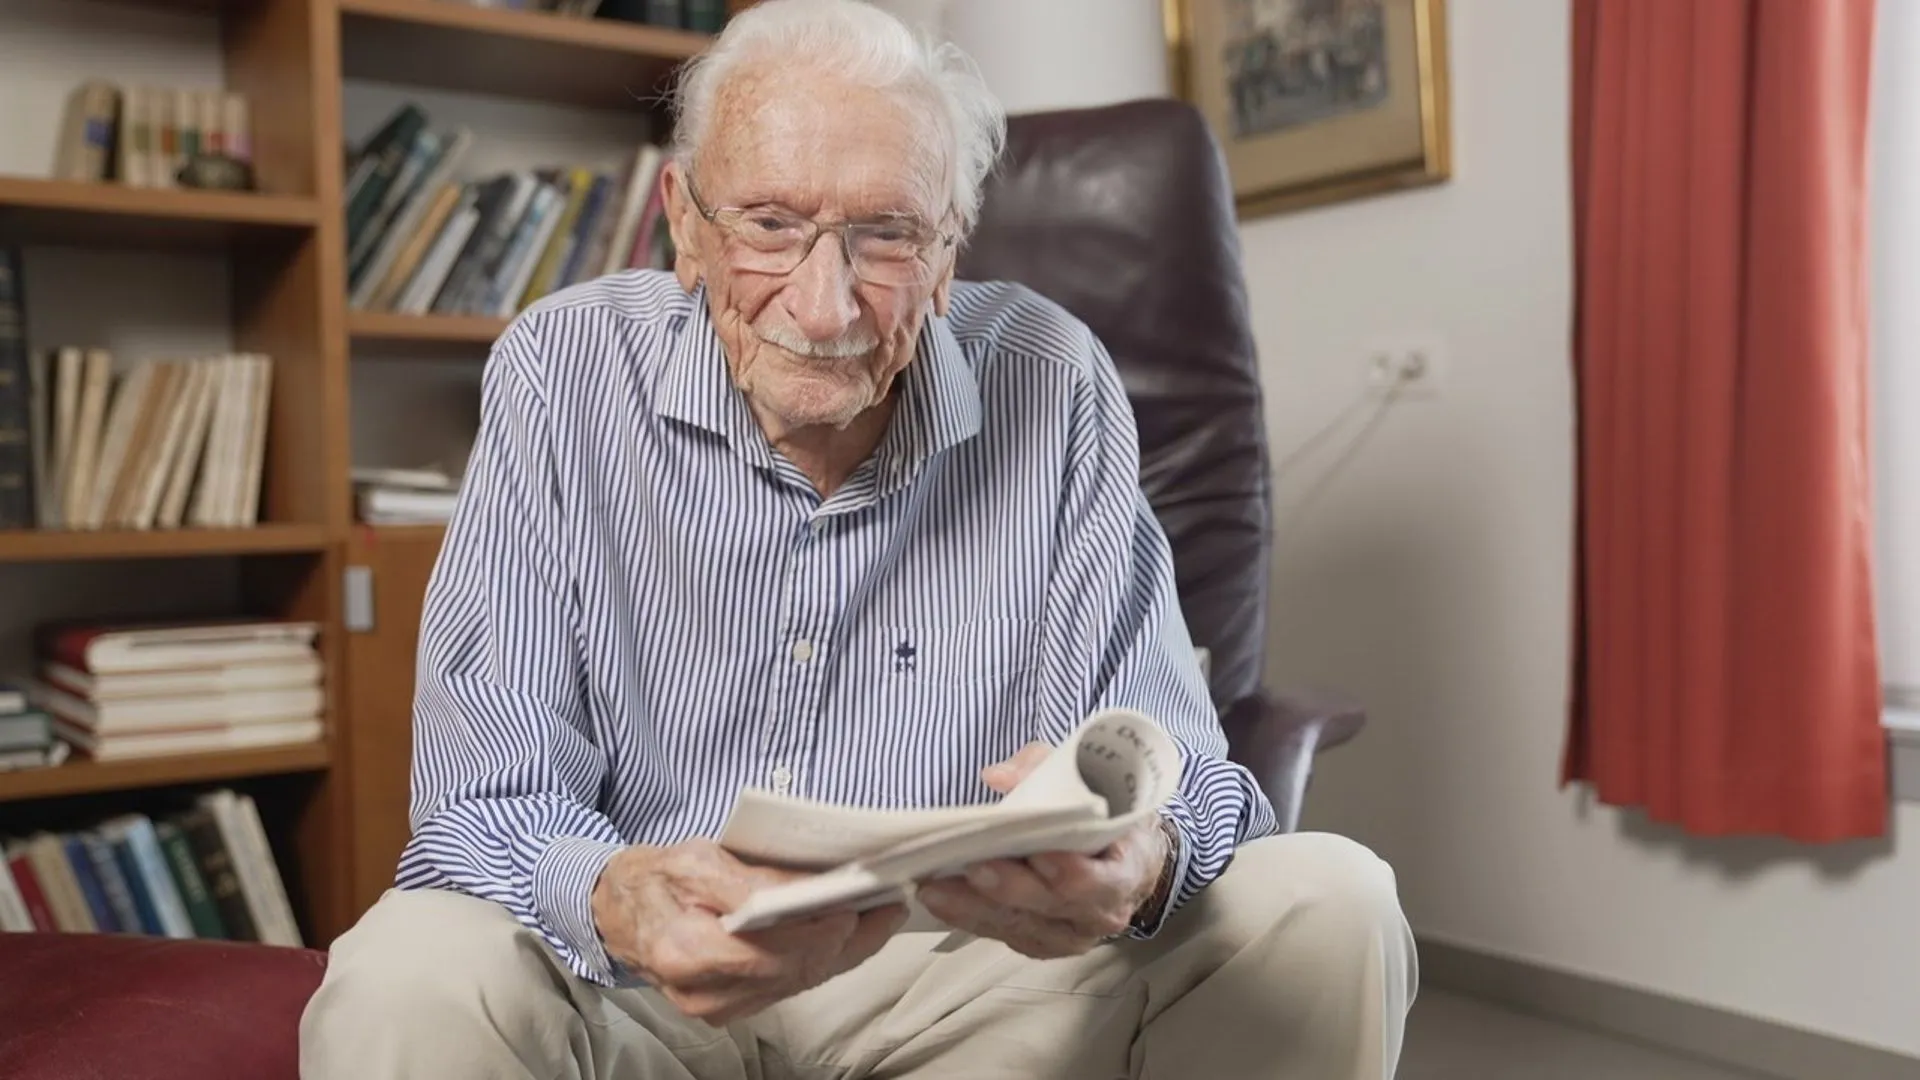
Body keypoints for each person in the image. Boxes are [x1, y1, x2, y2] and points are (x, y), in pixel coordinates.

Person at [297, 0, 1416, 1076]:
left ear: (948, 250)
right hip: (645, 997)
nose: (824, 305)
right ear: (686, 220)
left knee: (1326, 902)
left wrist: (1143, 858)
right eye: (773, 225)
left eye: (886, 236)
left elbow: (1181, 772)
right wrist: (614, 894)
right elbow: (479, 807)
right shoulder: (564, 371)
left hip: (973, 988)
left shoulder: (1053, 378)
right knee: (408, 970)